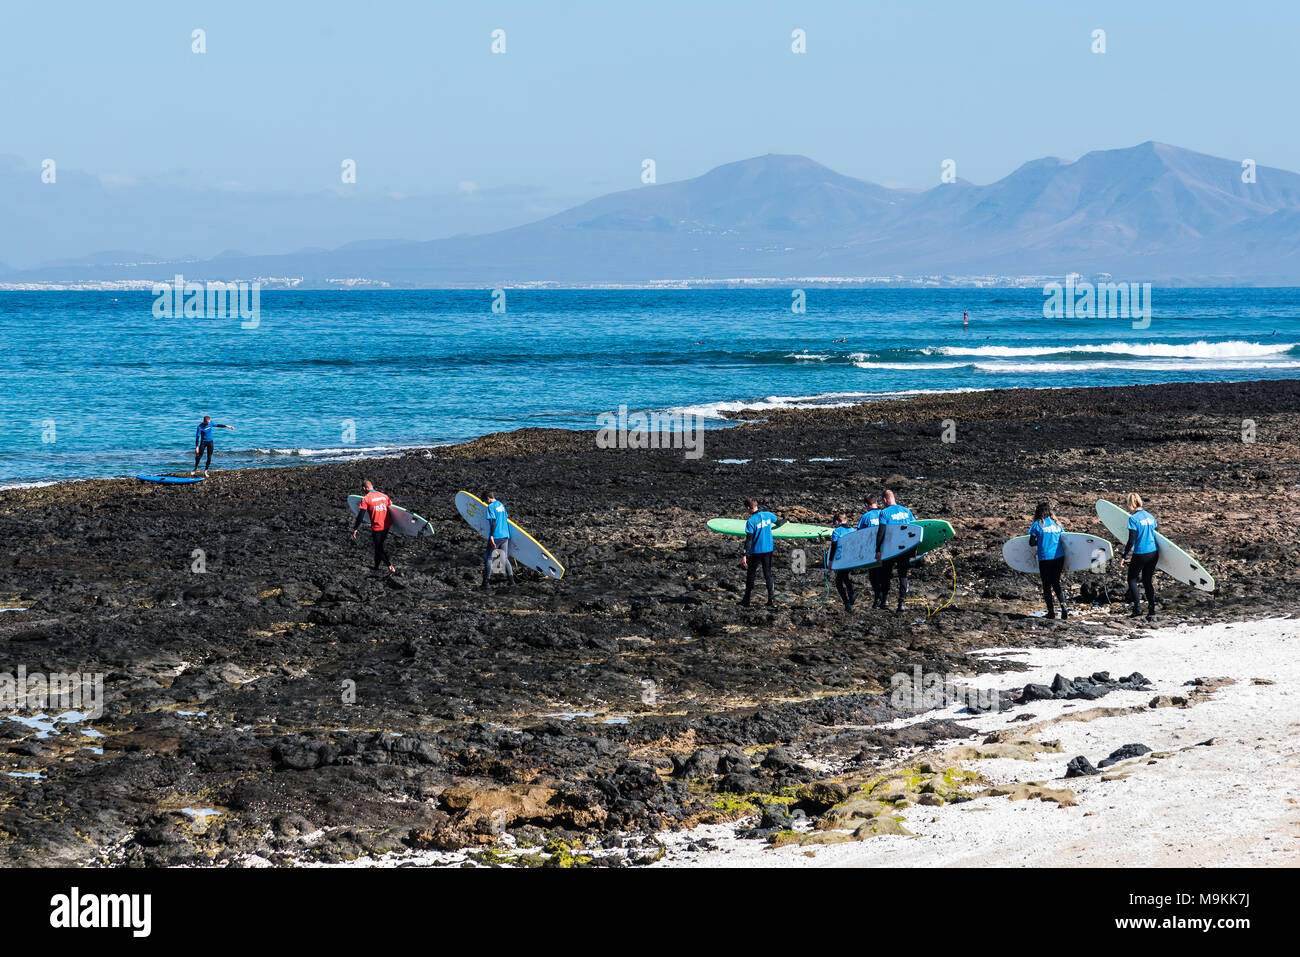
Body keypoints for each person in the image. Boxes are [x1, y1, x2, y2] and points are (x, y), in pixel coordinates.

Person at [874, 489, 916, 611]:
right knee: (903, 575)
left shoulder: (884, 512)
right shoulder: (906, 511)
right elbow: (914, 529)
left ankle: (885, 601)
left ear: (885, 500)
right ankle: (901, 604)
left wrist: (878, 549)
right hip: (905, 548)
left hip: (890, 548)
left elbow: (881, 532)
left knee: (886, 575)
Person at [1120, 492, 1159, 619]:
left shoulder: (1133, 519)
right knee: (1147, 580)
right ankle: (1152, 609)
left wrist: (1124, 556)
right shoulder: (1151, 517)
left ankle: (1137, 609)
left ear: (1130, 504)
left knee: (1131, 579)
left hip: (1141, 553)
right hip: (1153, 553)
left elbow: (1131, 541)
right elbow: (1158, 535)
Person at [741, 499, 786, 607]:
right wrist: (785, 520)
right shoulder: (768, 515)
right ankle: (771, 600)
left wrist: (744, 555)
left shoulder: (751, 522)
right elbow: (779, 523)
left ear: (748, 508)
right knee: (768, 574)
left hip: (756, 552)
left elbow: (749, 541)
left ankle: (746, 601)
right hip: (768, 550)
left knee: (751, 575)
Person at [1028, 501, 1068, 620]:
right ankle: (1064, 608)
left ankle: (1051, 613)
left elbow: (1031, 543)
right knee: (1056, 583)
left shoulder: (1037, 524)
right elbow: (1064, 539)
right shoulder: (1057, 524)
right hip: (1059, 557)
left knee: (1046, 585)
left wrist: (1039, 541)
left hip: (1045, 558)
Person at [351, 479, 396, 575]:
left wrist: (355, 528)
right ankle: (376, 567)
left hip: (377, 527)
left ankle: (390, 566)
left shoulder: (366, 499)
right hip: (387, 525)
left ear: (364, 488)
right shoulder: (384, 496)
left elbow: (361, 515)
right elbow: (391, 507)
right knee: (378, 547)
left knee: (379, 549)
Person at [480, 491, 516, 590]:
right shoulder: (501, 505)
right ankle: (511, 581)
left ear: (488, 498)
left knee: (489, 558)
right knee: (504, 558)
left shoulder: (491, 507)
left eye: (485, 501)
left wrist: (491, 535)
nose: (486, 503)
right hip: (505, 535)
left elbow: (493, 522)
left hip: (496, 536)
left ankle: (486, 583)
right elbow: (505, 518)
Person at [857, 496, 887, 608]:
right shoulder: (884, 513)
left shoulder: (865, 517)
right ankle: (885, 600)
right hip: (886, 549)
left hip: (872, 551)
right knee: (884, 575)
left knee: (874, 577)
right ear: (876, 502)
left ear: (866, 505)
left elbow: (859, 535)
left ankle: (877, 599)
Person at [828, 511, 856, 611]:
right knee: (844, 577)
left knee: (838, 581)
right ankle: (851, 593)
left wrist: (830, 561)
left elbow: (834, 547)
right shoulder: (853, 530)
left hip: (842, 560)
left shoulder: (836, 531)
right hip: (852, 559)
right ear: (846, 519)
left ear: (837, 521)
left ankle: (847, 603)